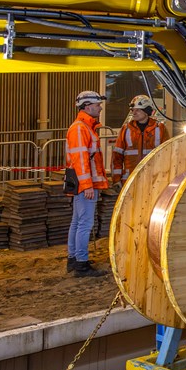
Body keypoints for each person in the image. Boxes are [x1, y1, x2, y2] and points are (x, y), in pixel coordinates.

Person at [66, 91, 109, 277]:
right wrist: (88, 185)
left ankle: (74, 260)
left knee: (77, 222)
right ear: (87, 106)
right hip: (85, 185)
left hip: (83, 184)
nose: (100, 108)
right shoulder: (80, 128)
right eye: (97, 105)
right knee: (84, 223)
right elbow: (81, 159)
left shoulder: (84, 127)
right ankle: (81, 264)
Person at [110, 94, 169, 185]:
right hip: (130, 181)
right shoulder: (126, 129)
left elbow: (167, 155)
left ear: (147, 111)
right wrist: (117, 179)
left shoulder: (160, 128)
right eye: (133, 110)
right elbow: (117, 157)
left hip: (154, 180)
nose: (134, 113)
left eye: (138, 110)